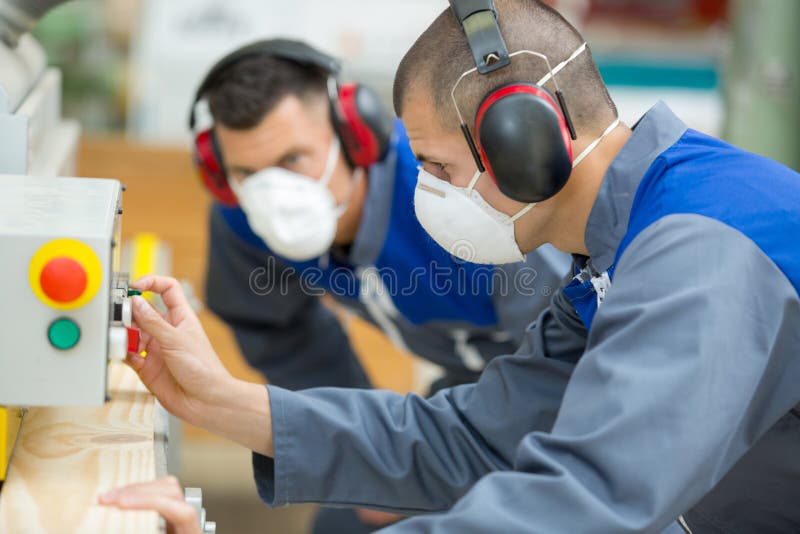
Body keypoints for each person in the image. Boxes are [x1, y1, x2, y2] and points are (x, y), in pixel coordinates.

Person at [102, 1, 800, 532]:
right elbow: (476, 437)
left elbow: (585, 502)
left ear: (524, 140)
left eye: (436, 167)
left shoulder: (697, 247)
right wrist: (220, 402)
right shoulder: (609, 257)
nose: (425, 192)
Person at [192, 38, 570, 532]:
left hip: (556, 394)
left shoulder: (463, 200)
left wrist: (404, 463)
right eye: (246, 172)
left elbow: (568, 370)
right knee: (344, 522)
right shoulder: (245, 221)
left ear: (355, 136)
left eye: (292, 160)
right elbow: (280, 337)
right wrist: (361, 450)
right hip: (469, 384)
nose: (273, 195)